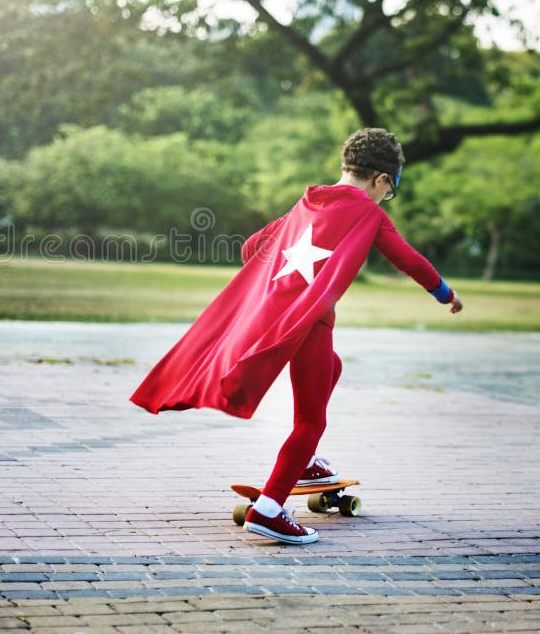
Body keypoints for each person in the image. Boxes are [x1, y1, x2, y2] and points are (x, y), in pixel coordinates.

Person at [130, 128, 463, 545]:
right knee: (311, 420)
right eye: (390, 190)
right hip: (310, 321)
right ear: (382, 180)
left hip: (284, 318)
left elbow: (253, 246)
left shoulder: (308, 202)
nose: (386, 198)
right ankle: (270, 509)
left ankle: (305, 463)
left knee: (332, 369)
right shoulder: (370, 213)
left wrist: (282, 279)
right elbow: (408, 259)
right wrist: (445, 293)